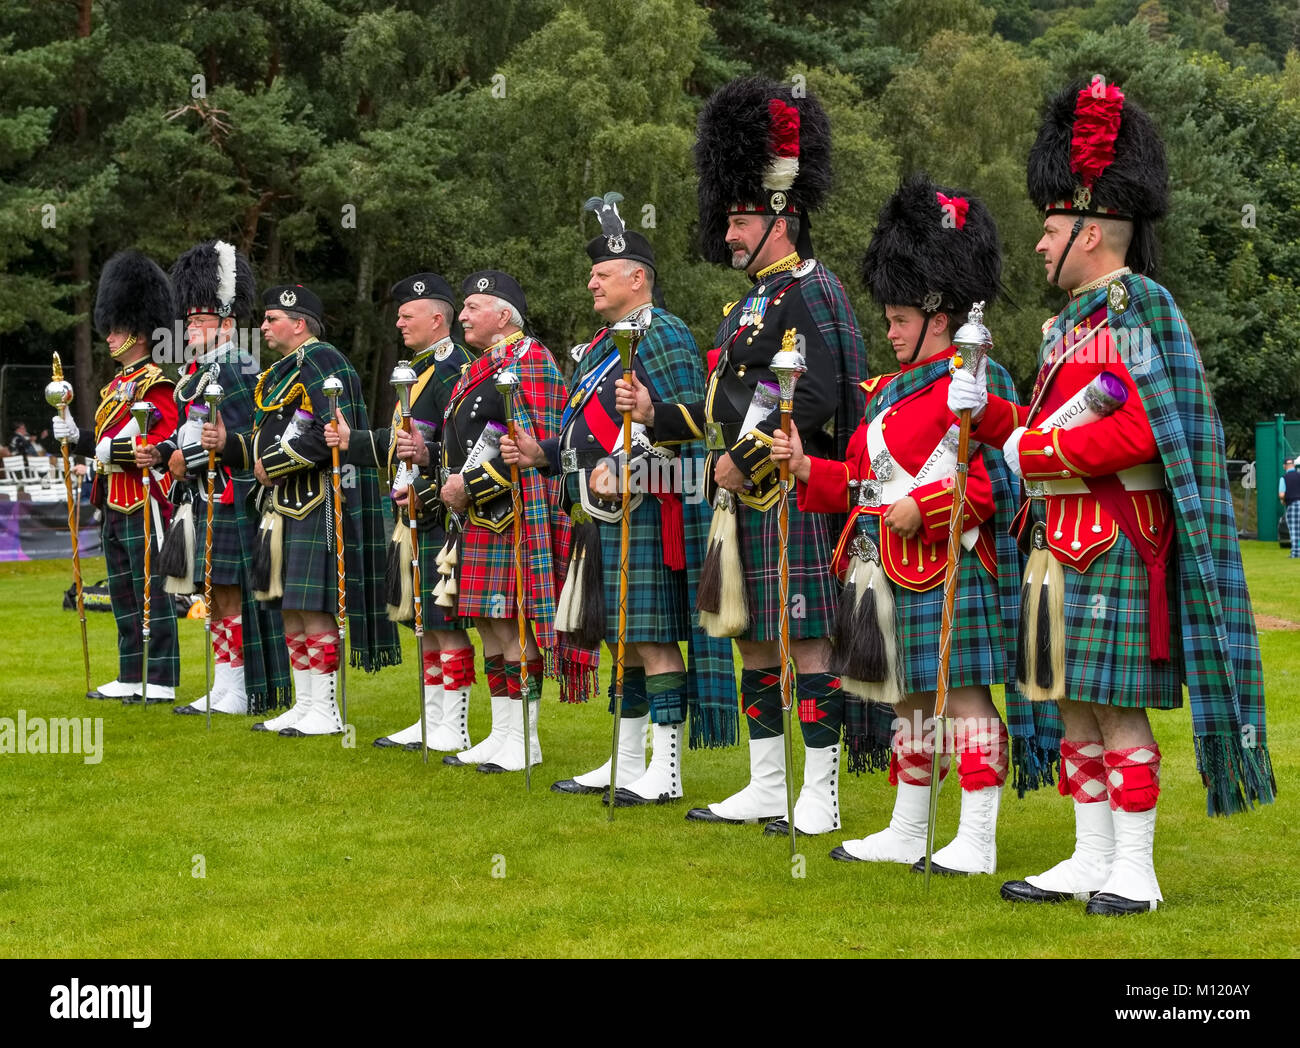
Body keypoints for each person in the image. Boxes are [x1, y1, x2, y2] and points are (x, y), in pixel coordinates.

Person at [950, 79, 1275, 914]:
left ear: (1090, 233)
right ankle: (1089, 856)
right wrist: (986, 414)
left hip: (1118, 535)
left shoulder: (1136, 308)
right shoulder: (1076, 323)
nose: (1037, 246)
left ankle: (1136, 869)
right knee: (1075, 711)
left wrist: (1036, 446)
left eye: (1050, 231)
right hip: (1063, 542)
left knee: (1119, 713)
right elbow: (1044, 426)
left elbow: (1143, 433)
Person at [773, 174, 1060, 873]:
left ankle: (979, 839)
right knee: (907, 702)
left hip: (947, 559)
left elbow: (998, 482)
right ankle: (909, 827)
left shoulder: (974, 380)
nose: (890, 332)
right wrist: (809, 469)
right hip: (882, 564)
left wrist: (928, 507)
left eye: (900, 320)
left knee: (962, 701)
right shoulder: (885, 395)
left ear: (938, 316)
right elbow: (868, 486)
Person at [617, 76, 866, 834]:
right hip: (747, 490)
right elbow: (729, 404)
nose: (726, 233)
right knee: (756, 638)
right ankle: (765, 784)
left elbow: (818, 397)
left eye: (738, 219)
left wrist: (747, 461)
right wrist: (662, 416)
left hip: (793, 486)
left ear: (778, 218)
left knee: (810, 639)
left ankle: (818, 798)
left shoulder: (811, 289)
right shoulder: (751, 301)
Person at [501, 196, 737, 804]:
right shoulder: (604, 344)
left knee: (653, 638)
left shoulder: (665, 333)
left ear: (637, 278)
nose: (591, 283)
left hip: (648, 509)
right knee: (622, 640)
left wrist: (633, 463)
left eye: (601, 274)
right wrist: (544, 453)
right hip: (597, 510)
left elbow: (691, 424)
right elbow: (594, 429)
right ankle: (627, 761)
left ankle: (666, 771)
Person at [201, 284, 399, 736]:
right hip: (279, 505)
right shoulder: (277, 373)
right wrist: (229, 445)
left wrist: (271, 463)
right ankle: (304, 702)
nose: (264, 326)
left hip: (319, 501)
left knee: (315, 607)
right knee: (290, 606)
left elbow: (334, 434)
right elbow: (261, 440)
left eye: (272, 319)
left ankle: (326, 710)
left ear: (299, 323)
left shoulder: (325, 361)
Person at [326, 272, 478, 751]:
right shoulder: (422, 369)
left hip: (439, 510)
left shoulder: (454, 367)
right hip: (413, 510)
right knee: (427, 622)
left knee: (445, 623)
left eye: (406, 315)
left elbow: (459, 443)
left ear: (437, 318)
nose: (398, 322)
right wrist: (356, 443)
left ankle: (452, 725)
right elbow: (403, 443)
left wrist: (429, 489)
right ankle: (432, 719)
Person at [145, 240, 292, 718]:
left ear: (227, 325)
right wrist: (166, 450)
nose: (191, 328)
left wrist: (188, 453)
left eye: (202, 320)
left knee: (233, 590)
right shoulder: (198, 369)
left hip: (234, 493)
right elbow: (192, 428)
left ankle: (243, 687)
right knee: (214, 590)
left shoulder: (240, 366)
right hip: (205, 492)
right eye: (189, 320)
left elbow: (245, 434)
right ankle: (226, 684)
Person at [438, 271, 570, 774]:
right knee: (492, 629)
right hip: (480, 517)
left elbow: (534, 446)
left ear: (503, 315)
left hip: (514, 517)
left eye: (472, 307)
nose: (463, 316)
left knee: (516, 630)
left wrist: (469, 486)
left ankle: (526, 741)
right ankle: (502, 733)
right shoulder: (482, 366)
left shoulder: (530, 360)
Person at [52, 250, 180, 702]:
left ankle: (161, 679)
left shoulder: (156, 384)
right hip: (113, 499)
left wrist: (106, 447)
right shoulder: (115, 387)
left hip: (144, 499)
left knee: (152, 592)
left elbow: (157, 441)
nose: (109, 335)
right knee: (123, 593)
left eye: (118, 328)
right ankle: (130, 674)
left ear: (140, 333)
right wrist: (77, 435)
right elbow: (106, 442)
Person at [1279, 458, 1300, 558]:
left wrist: (1283, 500)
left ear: (1284, 466)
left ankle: (1296, 553)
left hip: (1293, 505)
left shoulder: (1284, 478)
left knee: (1294, 530)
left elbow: (1282, 495)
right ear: (1294, 465)